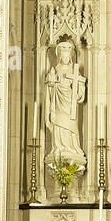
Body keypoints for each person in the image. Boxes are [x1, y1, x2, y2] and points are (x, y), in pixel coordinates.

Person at [43, 38, 87, 171]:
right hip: (58, 103)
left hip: (70, 104)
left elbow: (80, 85)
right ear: (60, 56)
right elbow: (49, 88)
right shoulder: (55, 69)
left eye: (68, 55)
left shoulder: (75, 71)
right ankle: (59, 147)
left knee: (70, 127)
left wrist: (79, 91)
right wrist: (51, 84)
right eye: (63, 55)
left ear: (70, 56)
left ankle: (72, 148)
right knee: (59, 125)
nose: (66, 58)